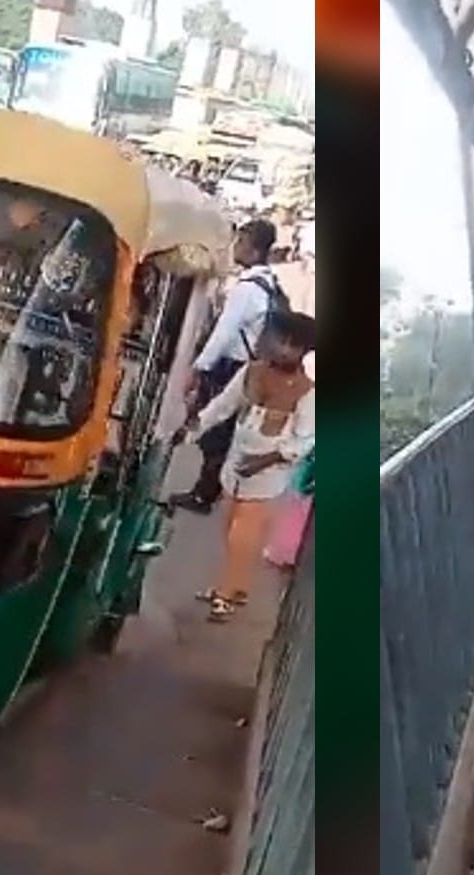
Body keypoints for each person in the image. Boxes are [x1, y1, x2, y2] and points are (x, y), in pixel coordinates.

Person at [185, 311, 317, 622]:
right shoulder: (251, 372)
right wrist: (194, 427)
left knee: (241, 534)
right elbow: (223, 406)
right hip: (237, 462)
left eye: (292, 345)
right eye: (279, 340)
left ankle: (224, 596)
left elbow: (303, 441)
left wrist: (264, 462)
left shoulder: (308, 393)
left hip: (269, 473)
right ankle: (238, 586)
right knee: (230, 526)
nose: (283, 349)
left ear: (305, 351)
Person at [169, 219, 286, 514]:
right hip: (248, 366)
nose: (236, 247)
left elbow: (225, 332)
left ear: (255, 249)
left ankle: (204, 495)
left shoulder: (247, 289)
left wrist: (199, 367)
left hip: (231, 367)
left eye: (241, 242)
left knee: (216, 430)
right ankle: (209, 490)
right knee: (225, 429)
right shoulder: (269, 284)